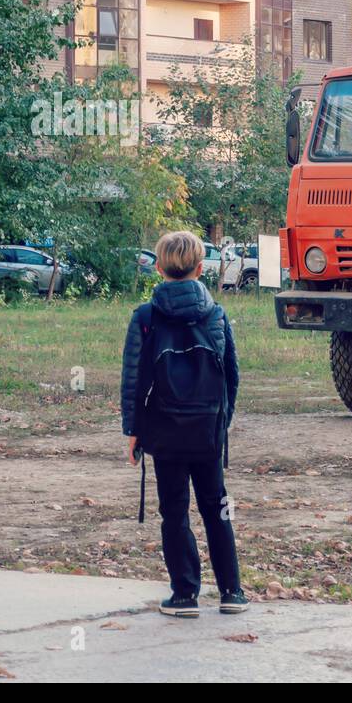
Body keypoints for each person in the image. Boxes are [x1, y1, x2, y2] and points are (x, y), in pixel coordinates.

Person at [120, 231, 245, 617]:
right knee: (217, 507)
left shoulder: (145, 317)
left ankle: (185, 594)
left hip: (164, 430)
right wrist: (221, 423)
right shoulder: (217, 314)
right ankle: (231, 592)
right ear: (201, 267)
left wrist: (134, 431)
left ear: (158, 268)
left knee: (174, 511)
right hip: (207, 430)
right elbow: (231, 376)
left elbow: (134, 378)